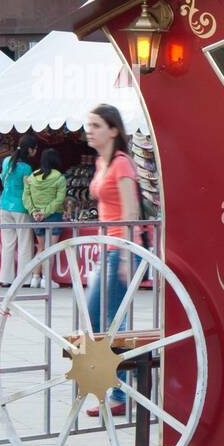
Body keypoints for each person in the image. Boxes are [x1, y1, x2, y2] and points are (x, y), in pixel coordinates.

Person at [84, 105, 141, 418]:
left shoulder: (121, 163)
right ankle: (120, 389)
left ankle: (120, 393)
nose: (89, 130)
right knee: (98, 320)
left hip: (120, 247)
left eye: (96, 125)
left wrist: (125, 255)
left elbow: (131, 211)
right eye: (89, 125)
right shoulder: (100, 162)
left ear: (113, 130)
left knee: (112, 323)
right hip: (106, 248)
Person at [0, 134, 39, 286]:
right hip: (21, 207)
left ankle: (5, 278)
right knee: (24, 244)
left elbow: (3, 180)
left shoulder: (6, 161)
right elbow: (28, 189)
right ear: (30, 150)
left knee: (7, 244)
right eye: (35, 149)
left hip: (4, 205)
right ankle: (24, 279)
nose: (36, 152)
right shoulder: (26, 168)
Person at [23, 148, 67, 288]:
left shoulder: (32, 177)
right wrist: (45, 213)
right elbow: (59, 199)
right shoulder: (59, 178)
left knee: (41, 247)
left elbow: (26, 197)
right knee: (50, 249)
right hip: (53, 216)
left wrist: (34, 212)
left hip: (36, 218)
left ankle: (35, 278)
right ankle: (46, 279)